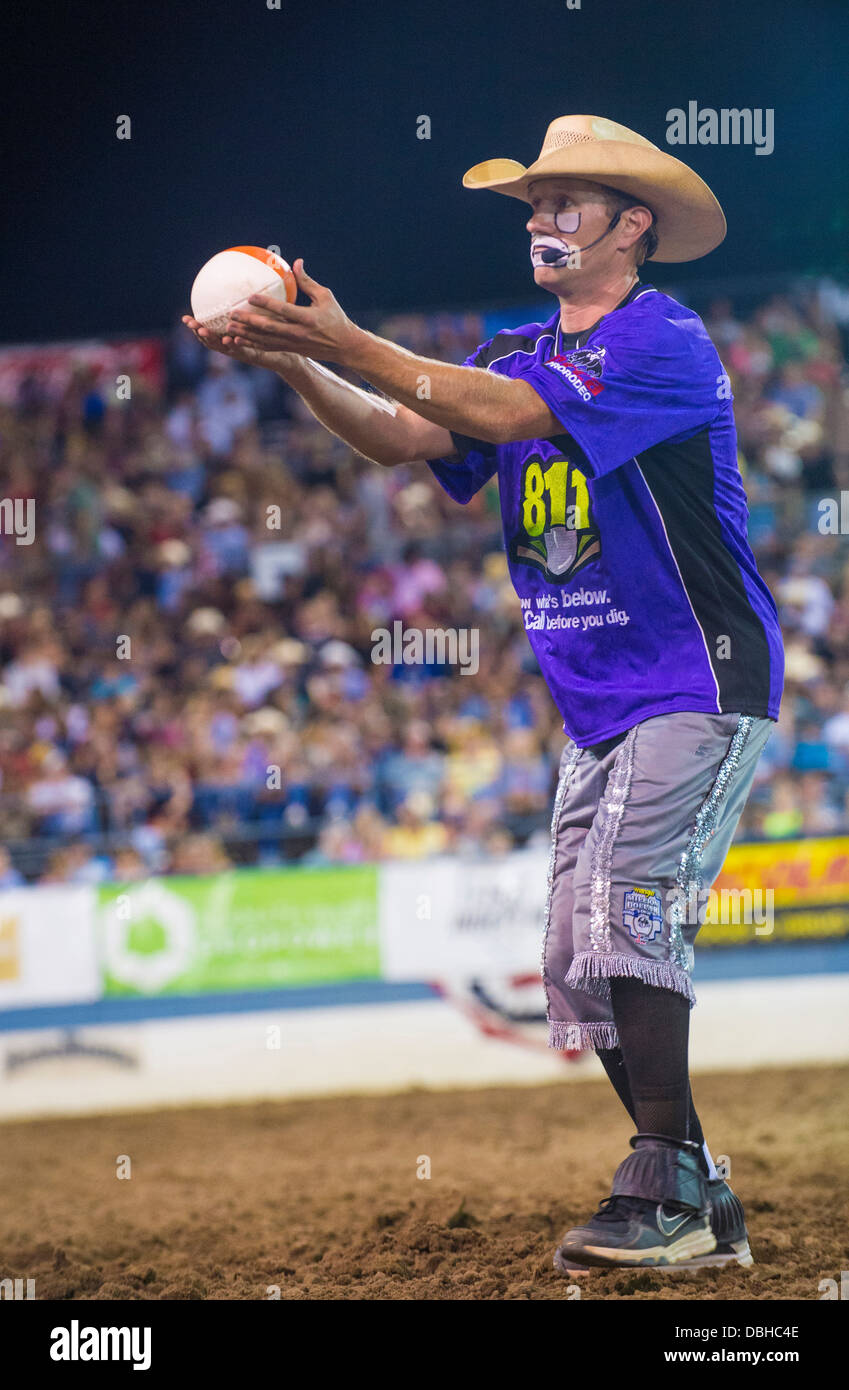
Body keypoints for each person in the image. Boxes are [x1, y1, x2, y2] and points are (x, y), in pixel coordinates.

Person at [183, 113, 784, 1271]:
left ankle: (664, 1191)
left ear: (633, 226)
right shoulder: (516, 351)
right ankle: (692, 1190)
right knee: (573, 950)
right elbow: (402, 436)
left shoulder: (663, 336)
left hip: (696, 676)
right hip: (605, 699)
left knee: (620, 908)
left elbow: (504, 417)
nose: (544, 221)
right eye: (534, 204)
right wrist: (297, 359)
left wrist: (346, 333)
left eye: (569, 203)